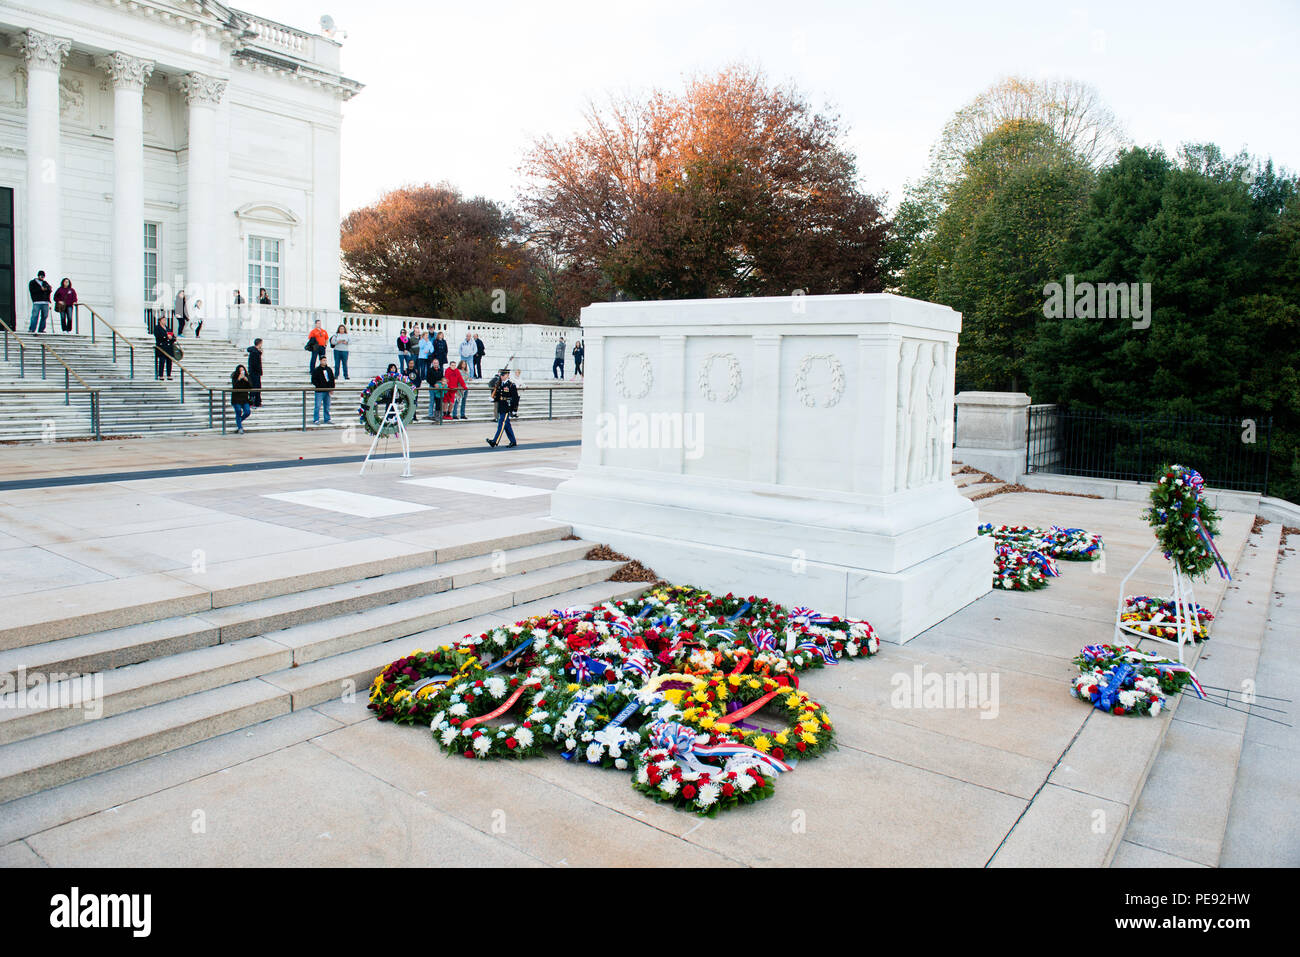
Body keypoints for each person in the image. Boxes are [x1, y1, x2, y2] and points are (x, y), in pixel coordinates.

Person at [485, 368, 518, 448]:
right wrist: (493, 399)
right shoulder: (500, 384)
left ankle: (495, 441)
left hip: (507, 407)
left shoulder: (511, 385)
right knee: (507, 425)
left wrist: (514, 409)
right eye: (501, 375)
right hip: (501, 406)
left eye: (503, 375)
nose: (502, 377)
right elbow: (499, 396)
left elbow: (515, 398)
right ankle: (513, 441)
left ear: (507, 375)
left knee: (501, 424)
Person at [311, 357, 335, 424]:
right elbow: (313, 380)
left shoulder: (329, 369)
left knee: (327, 406)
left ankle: (327, 419)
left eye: (325, 360)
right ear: (320, 361)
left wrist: (332, 388)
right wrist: (319, 386)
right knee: (317, 406)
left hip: (327, 390)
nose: (325, 362)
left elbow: (332, 379)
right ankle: (316, 419)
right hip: (319, 391)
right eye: (323, 360)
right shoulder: (316, 370)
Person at [231, 364, 253, 434]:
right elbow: (234, 386)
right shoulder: (235, 376)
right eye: (240, 370)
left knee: (247, 412)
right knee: (238, 411)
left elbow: (250, 386)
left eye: (242, 370)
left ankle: (239, 422)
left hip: (244, 398)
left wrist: (246, 380)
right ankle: (240, 427)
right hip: (236, 398)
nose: (241, 372)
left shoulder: (247, 377)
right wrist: (239, 379)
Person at [246, 338, 264, 407]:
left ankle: (256, 401)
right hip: (255, 373)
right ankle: (254, 402)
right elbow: (255, 364)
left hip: (254, 372)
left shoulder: (255, 352)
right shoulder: (255, 352)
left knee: (256, 387)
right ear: (259, 343)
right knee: (255, 387)